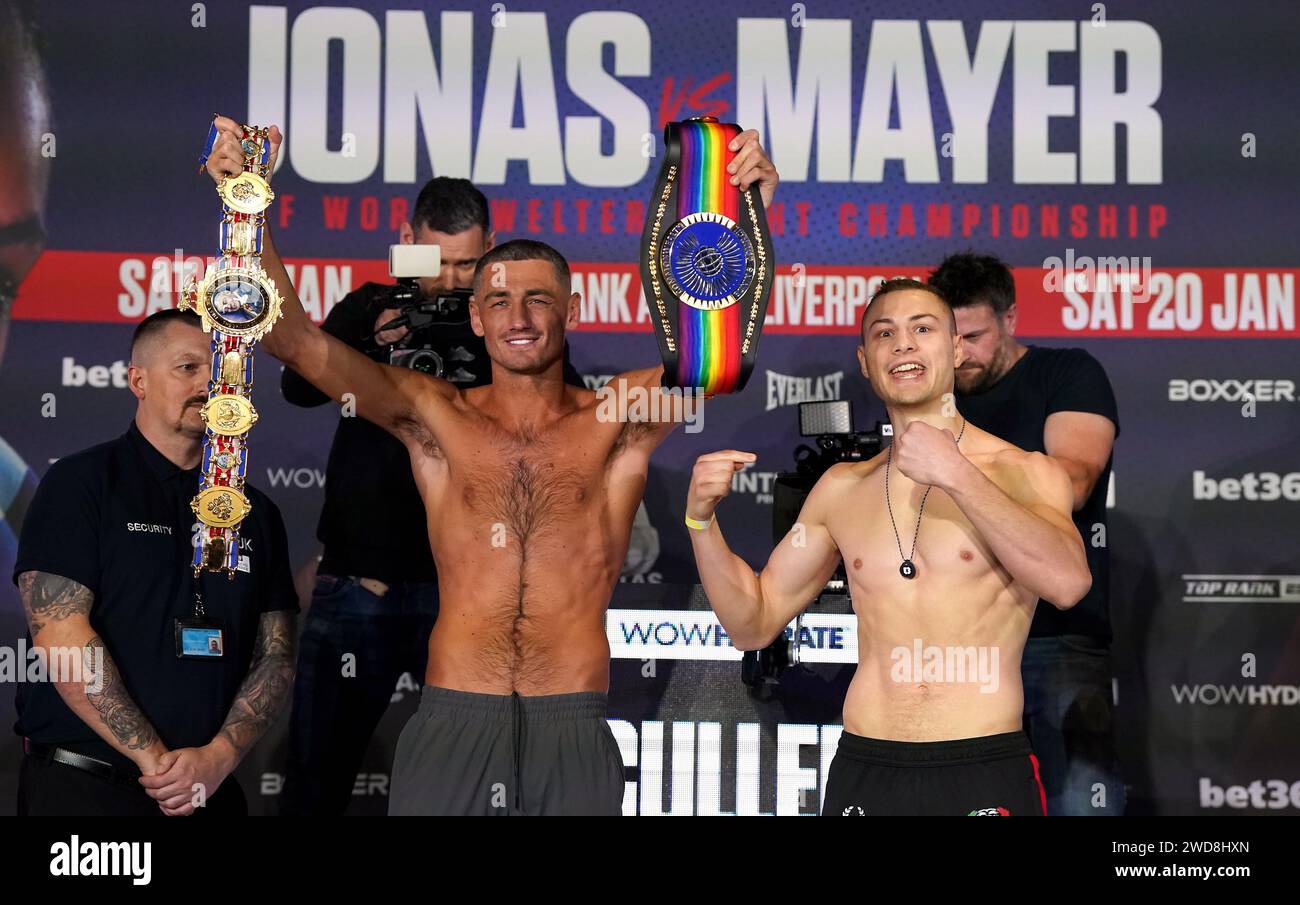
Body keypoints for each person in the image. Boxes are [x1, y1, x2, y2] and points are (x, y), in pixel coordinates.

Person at [204, 113, 778, 815]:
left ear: (569, 309)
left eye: (539, 299)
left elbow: (709, 355)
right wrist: (246, 203)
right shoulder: (436, 416)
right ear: (476, 318)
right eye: (499, 300)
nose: (520, 317)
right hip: (454, 721)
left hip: (571, 724)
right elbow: (293, 341)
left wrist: (740, 213)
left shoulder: (617, 423)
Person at [685, 279, 1092, 816]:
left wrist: (957, 475)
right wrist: (700, 520)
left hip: (980, 766)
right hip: (866, 770)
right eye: (885, 333)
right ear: (865, 360)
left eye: (922, 329)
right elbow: (753, 622)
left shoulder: (1024, 473)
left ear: (955, 348)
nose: (903, 344)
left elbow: (1067, 583)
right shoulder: (842, 488)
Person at [278, 177, 583, 816]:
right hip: (362, 583)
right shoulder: (370, 306)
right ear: (408, 241)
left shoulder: (507, 327)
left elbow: (570, 417)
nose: (449, 280)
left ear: (490, 251)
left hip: (470, 593)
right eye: (437, 262)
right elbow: (298, 388)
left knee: (479, 781)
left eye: (468, 265)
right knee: (317, 778)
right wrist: (371, 344)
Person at [13, 309, 298, 816]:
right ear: (138, 380)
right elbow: (59, 634)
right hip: (88, 791)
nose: (208, 383)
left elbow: (275, 655)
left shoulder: (257, 513)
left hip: (208, 790)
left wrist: (218, 758)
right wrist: (157, 763)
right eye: (187, 367)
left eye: (220, 370)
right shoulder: (80, 485)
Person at [928, 252, 1124, 815]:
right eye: (949, 337)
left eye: (975, 335)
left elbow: (1075, 481)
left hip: (1055, 633)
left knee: (1081, 804)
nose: (961, 353)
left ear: (1011, 319)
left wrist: (957, 472)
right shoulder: (930, 397)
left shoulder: (1067, 373)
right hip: (953, 640)